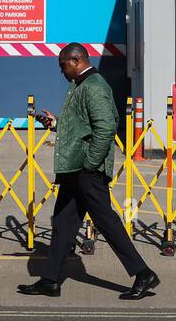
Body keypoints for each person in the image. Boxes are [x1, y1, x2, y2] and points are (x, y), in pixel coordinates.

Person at [18, 43, 160, 300]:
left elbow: (106, 128)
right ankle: (50, 280)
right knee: (63, 222)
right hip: (76, 167)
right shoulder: (81, 86)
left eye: (63, 66)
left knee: (106, 220)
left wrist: (91, 163)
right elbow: (82, 126)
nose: (61, 72)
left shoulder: (94, 87)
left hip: (86, 169)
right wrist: (57, 124)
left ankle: (142, 272)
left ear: (76, 61)